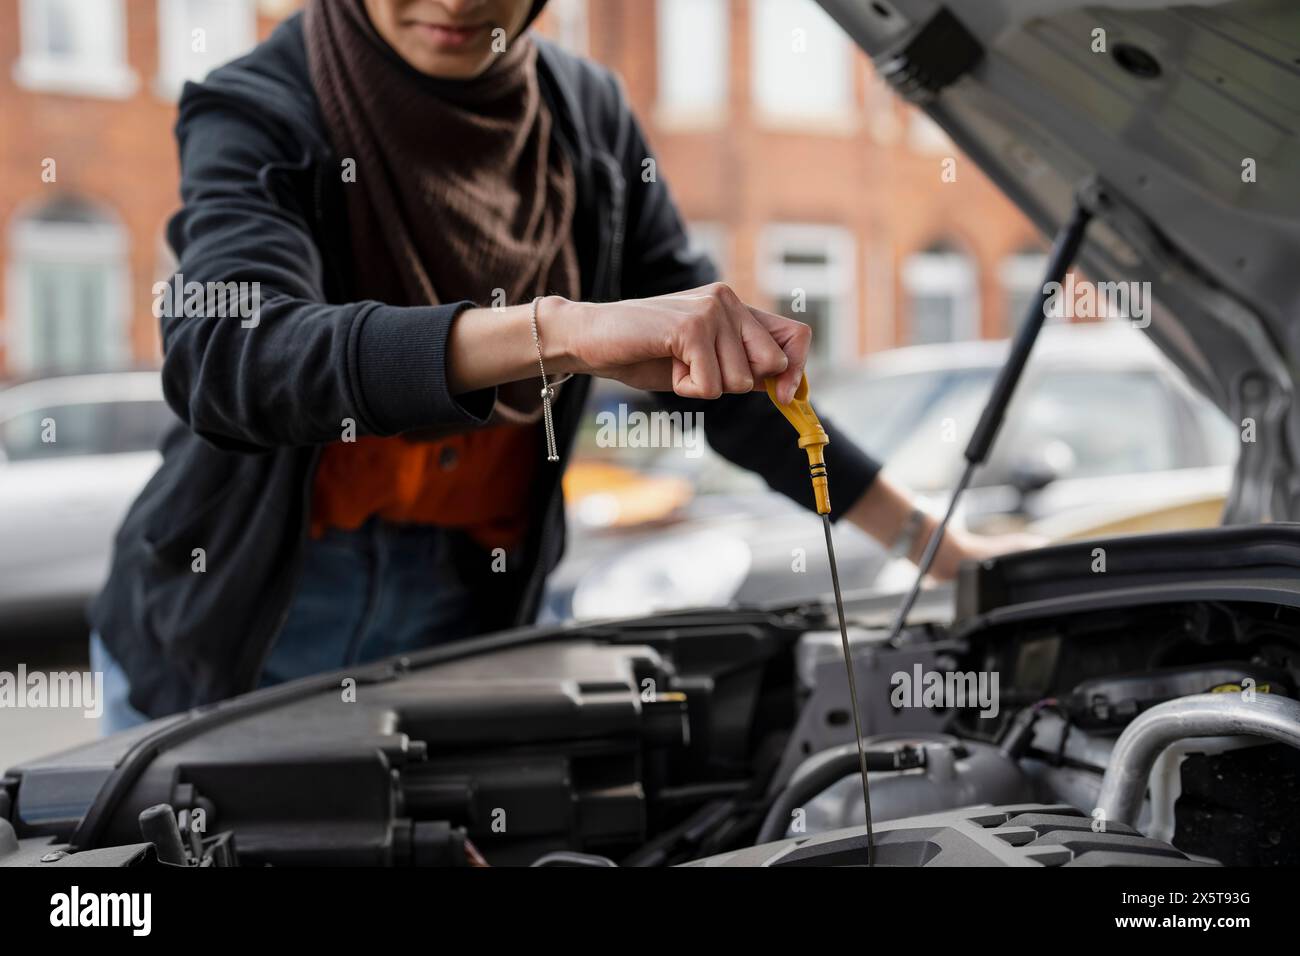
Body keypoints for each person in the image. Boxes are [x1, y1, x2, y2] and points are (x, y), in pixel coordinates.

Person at [89, 0, 1027, 732]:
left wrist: (945, 555)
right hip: (244, 609)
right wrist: (559, 332)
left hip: (466, 604)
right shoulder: (259, 104)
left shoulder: (589, 123)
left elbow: (732, 397)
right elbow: (232, 355)